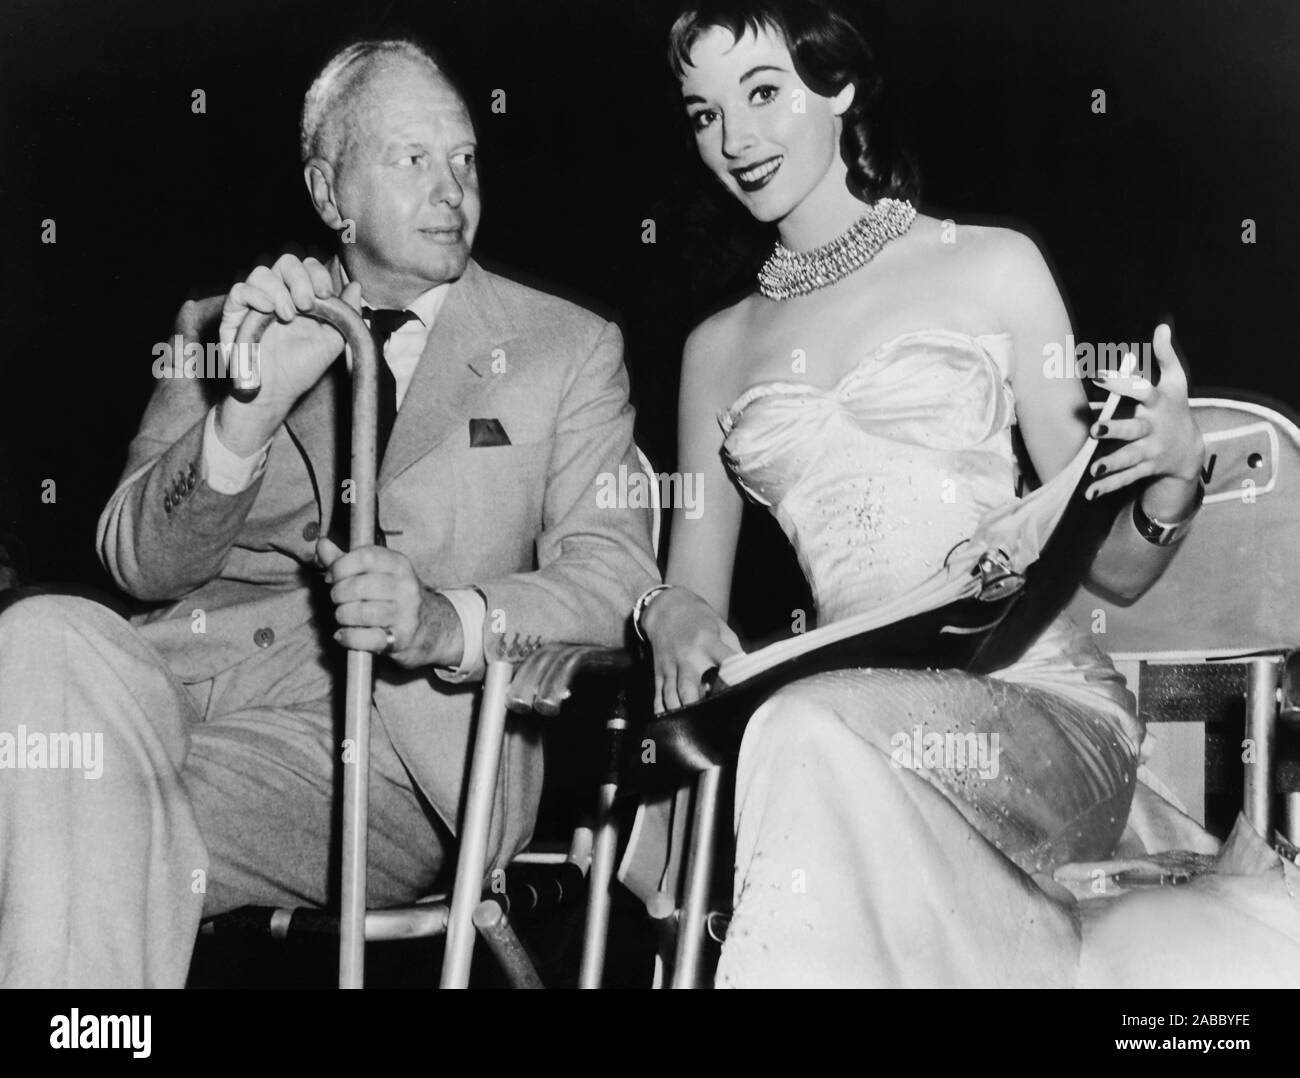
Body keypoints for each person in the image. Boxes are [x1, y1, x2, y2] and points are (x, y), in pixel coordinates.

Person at [0, 38, 658, 987]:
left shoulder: (565, 348)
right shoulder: (222, 327)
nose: (452, 188)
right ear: (327, 193)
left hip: (393, 761)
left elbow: (616, 581)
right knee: (42, 634)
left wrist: (446, 621)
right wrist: (249, 411)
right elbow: (137, 564)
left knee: (60, 807)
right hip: (169, 699)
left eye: (466, 157)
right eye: (413, 158)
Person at [636, 0, 1208, 987]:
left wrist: (1175, 472)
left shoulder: (991, 266)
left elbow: (1112, 568)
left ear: (839, 86)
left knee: (802, 731)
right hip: (842, 711)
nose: (733, 140)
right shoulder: (714, 348)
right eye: (702, 113)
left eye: (763, 93)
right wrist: (666, 611)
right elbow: (692, 586)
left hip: (1042, 710)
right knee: (804, 733)